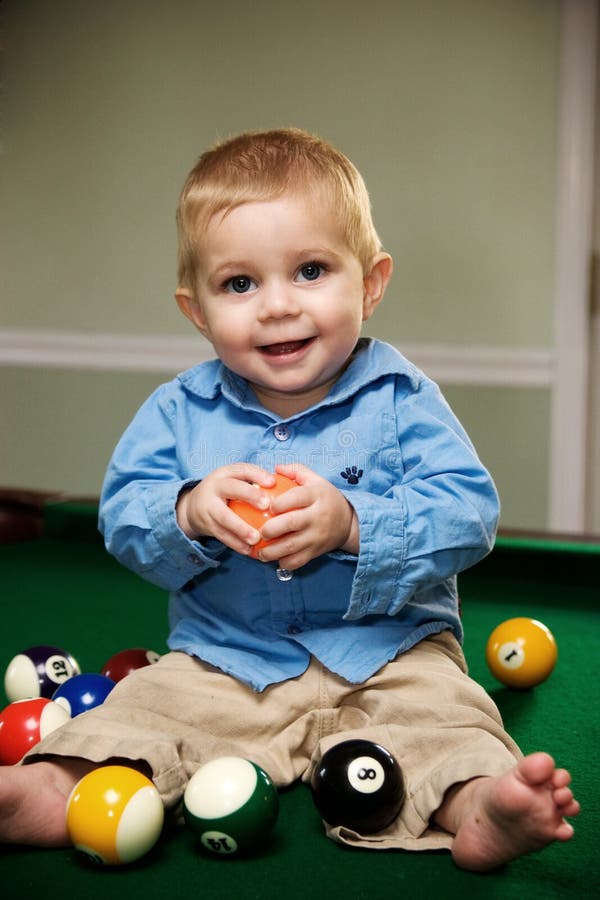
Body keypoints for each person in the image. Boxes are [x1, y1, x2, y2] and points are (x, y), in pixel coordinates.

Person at [0, 128, 579, 870]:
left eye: (309, 270)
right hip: (225, 661)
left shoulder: (403, 400)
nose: (276, 306)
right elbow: (121, 517)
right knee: (143, 710)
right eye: (239, 284)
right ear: (197, 310)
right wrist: (185, 512)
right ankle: (48, 788)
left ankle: (479, 806)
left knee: (446, 718)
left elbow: (470, 513)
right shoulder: (178, 412)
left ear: (370, 283)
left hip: (390, 651)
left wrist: (352, 525)